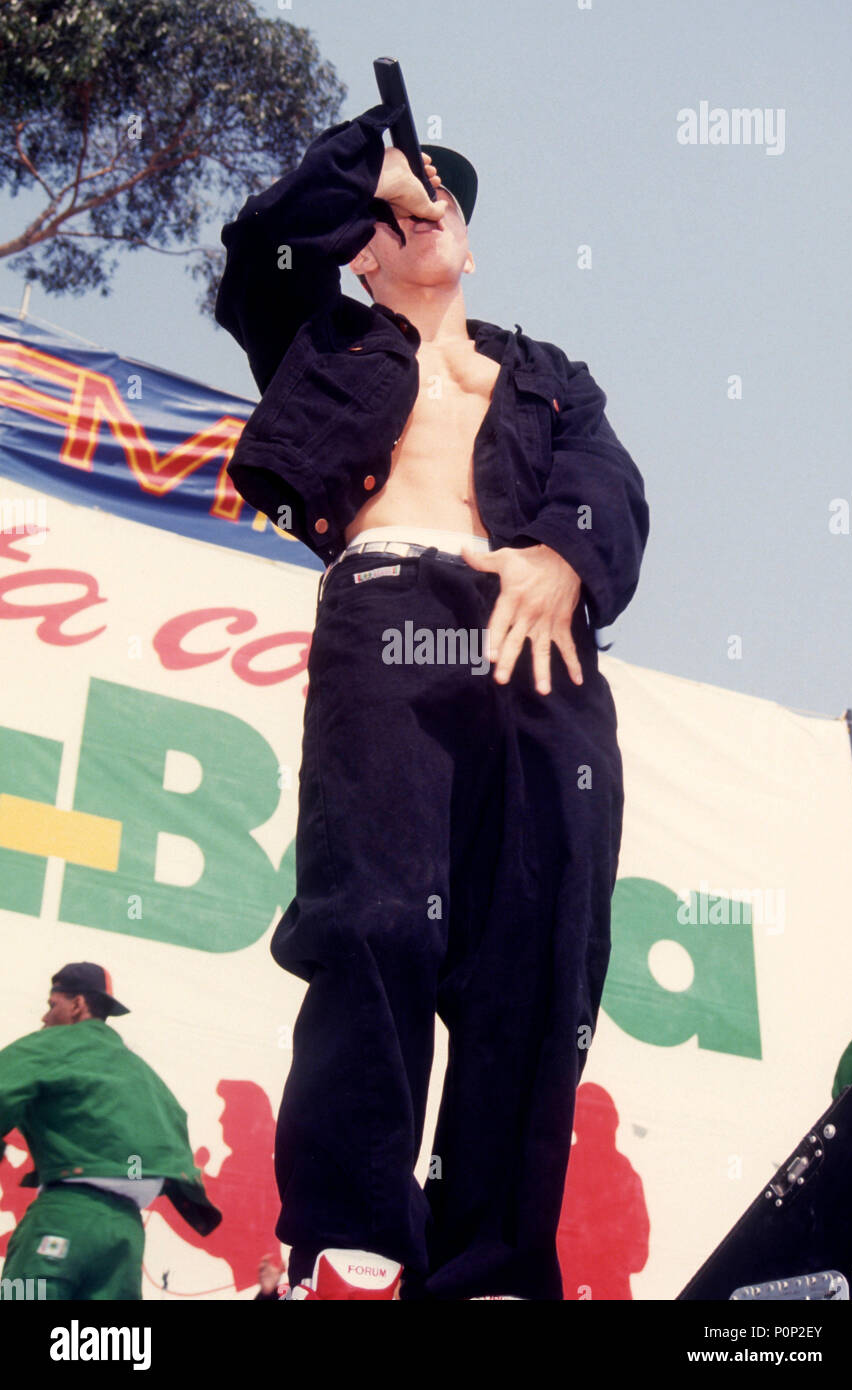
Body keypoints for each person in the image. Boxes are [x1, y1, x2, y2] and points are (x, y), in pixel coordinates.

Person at [215, 97, 649, 1301]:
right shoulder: (321, 342)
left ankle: (492, 1271)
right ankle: (350, 1245)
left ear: (470, 236)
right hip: (390, 613)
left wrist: (565, 555)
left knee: (537, 963)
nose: (420, 216)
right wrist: (367, 164)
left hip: (537, 642)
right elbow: (262, 249)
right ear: (359, 238)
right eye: (393, 210)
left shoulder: (548, 377)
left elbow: (606, 485)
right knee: (375, 923)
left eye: (440, 201)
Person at [0, 963, 221, 1299]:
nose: (45, 1019)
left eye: (51, 1005)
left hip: (65, 1216)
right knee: (107, 1348)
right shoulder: (140, 1071)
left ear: (77, 1005)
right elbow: (175, 1131)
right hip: (125, 1234)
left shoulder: (56, 1044)